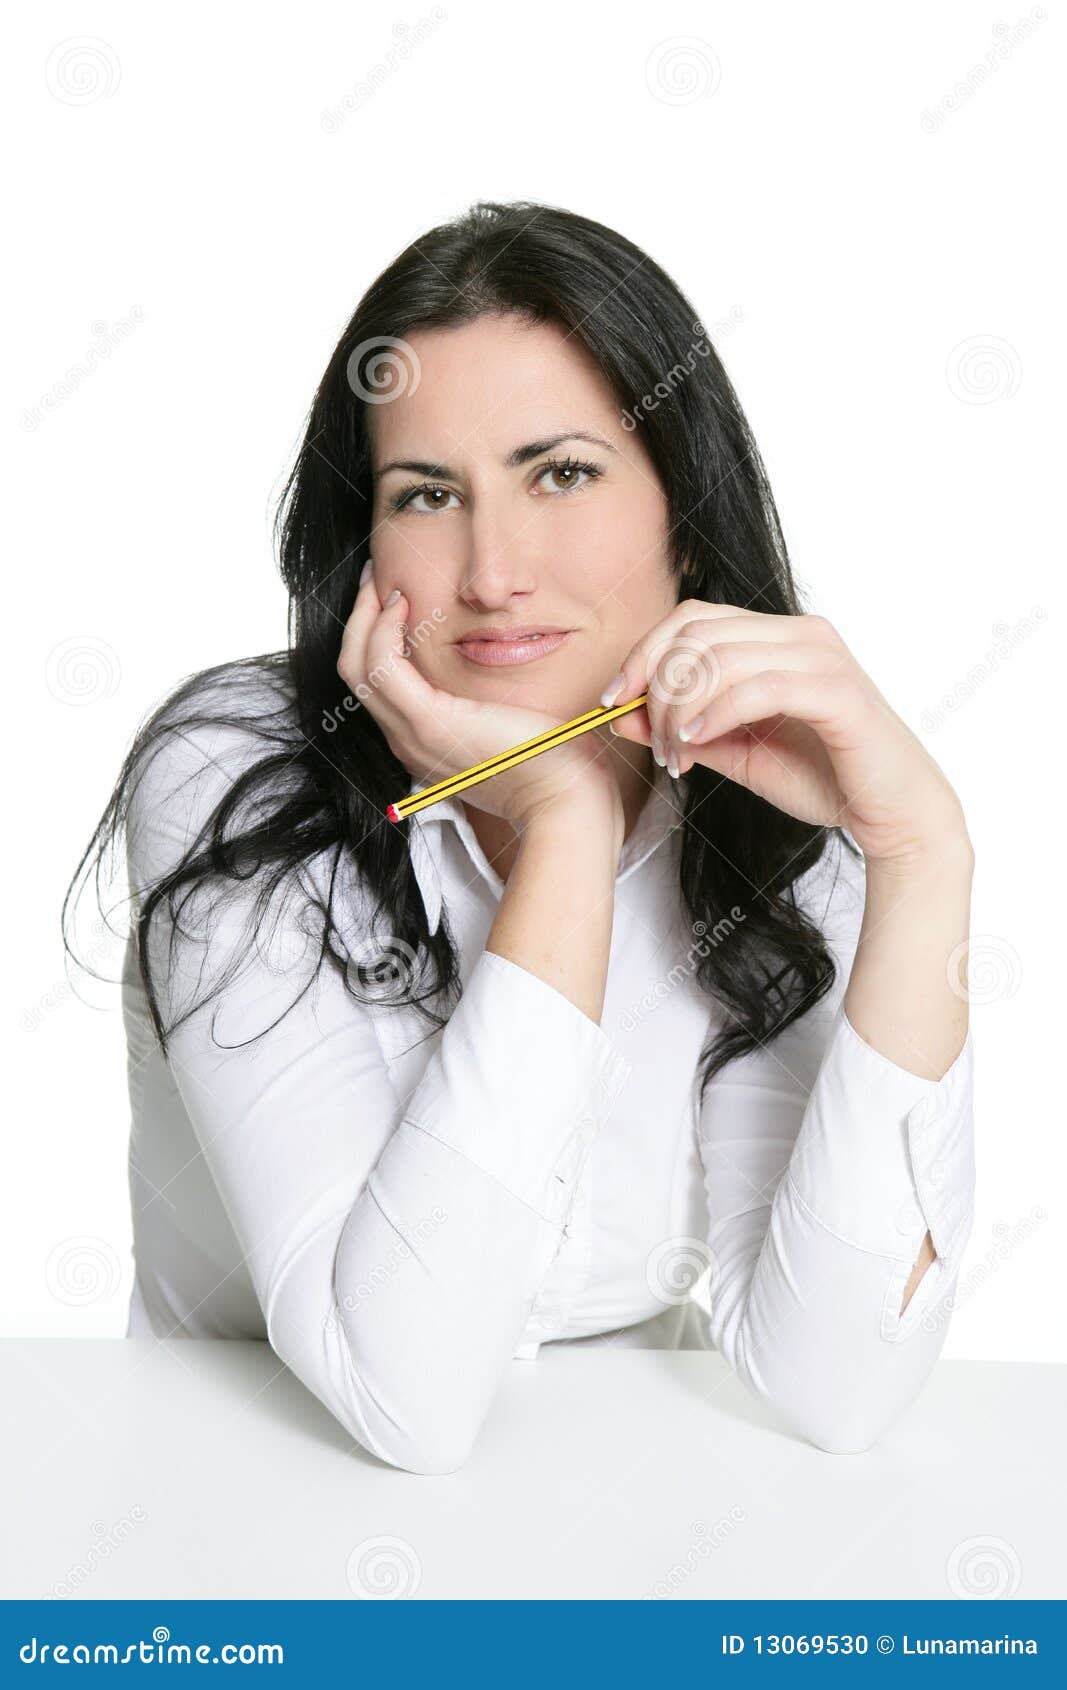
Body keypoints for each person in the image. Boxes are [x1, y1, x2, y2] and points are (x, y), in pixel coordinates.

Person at [65, 200, 975, 1475]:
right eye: (427, 494)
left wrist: (921, 852)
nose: (491, 572)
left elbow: (836, 1382)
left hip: (620, 1503)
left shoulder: (775, 782)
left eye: (560, 473)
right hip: (236, 1497)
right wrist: (564, 823)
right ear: (363, 539)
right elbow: (403, 1396)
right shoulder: (236, 770)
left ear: (683, 505)